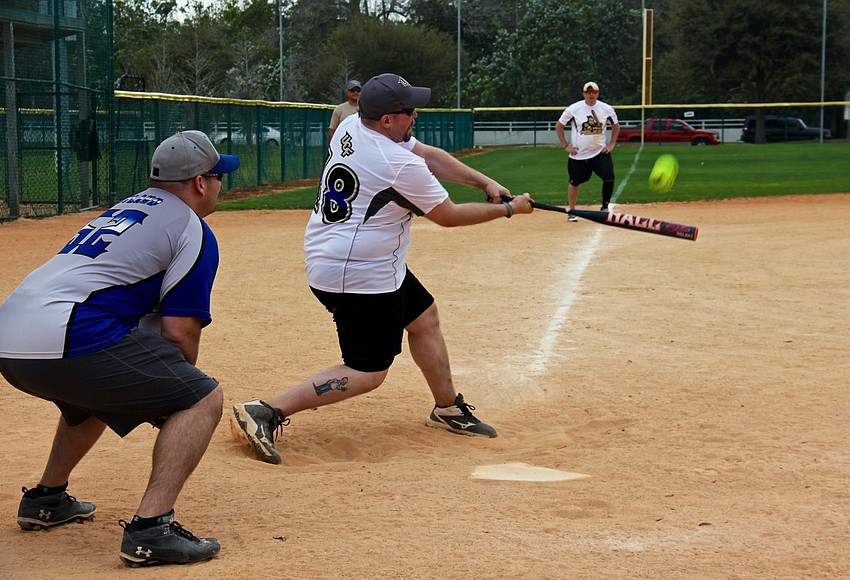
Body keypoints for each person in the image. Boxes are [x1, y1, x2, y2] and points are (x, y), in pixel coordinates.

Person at [232, 73, 534, 465]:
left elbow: (426, 154)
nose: (415, 115)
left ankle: (447, 408)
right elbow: (448, 215)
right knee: (368, 371)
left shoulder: (353, 126)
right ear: (388, 119)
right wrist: (508, 209)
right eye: (409, 110)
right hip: (358, 274)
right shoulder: (395, 164)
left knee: (424, 318)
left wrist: (483, 182)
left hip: (356, 258)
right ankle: (265, 411)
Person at [0, 131, 239, 567]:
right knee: (202, 398)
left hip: (12, 338)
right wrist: (177, 394)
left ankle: (46, 499)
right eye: (218, 176)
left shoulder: (123, 209)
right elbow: (180, 331)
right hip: (69, 332)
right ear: (200, 183)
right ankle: (151, 530)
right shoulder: (192, 228)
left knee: (93, 392)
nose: (221, 184)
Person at [554, 81, 620, 220]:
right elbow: (559, 126)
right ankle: (572, 210)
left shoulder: (606, 109)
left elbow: (616, 126)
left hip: (599, 152)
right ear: (584, 94)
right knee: (575, 182)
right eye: (588, 92)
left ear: (598, 94)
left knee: (609, 177)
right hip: (579, 155)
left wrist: (612, 144)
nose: (591, 95)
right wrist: (566, 146)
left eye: (594, 92)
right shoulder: (574, 109)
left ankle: (604, 208)